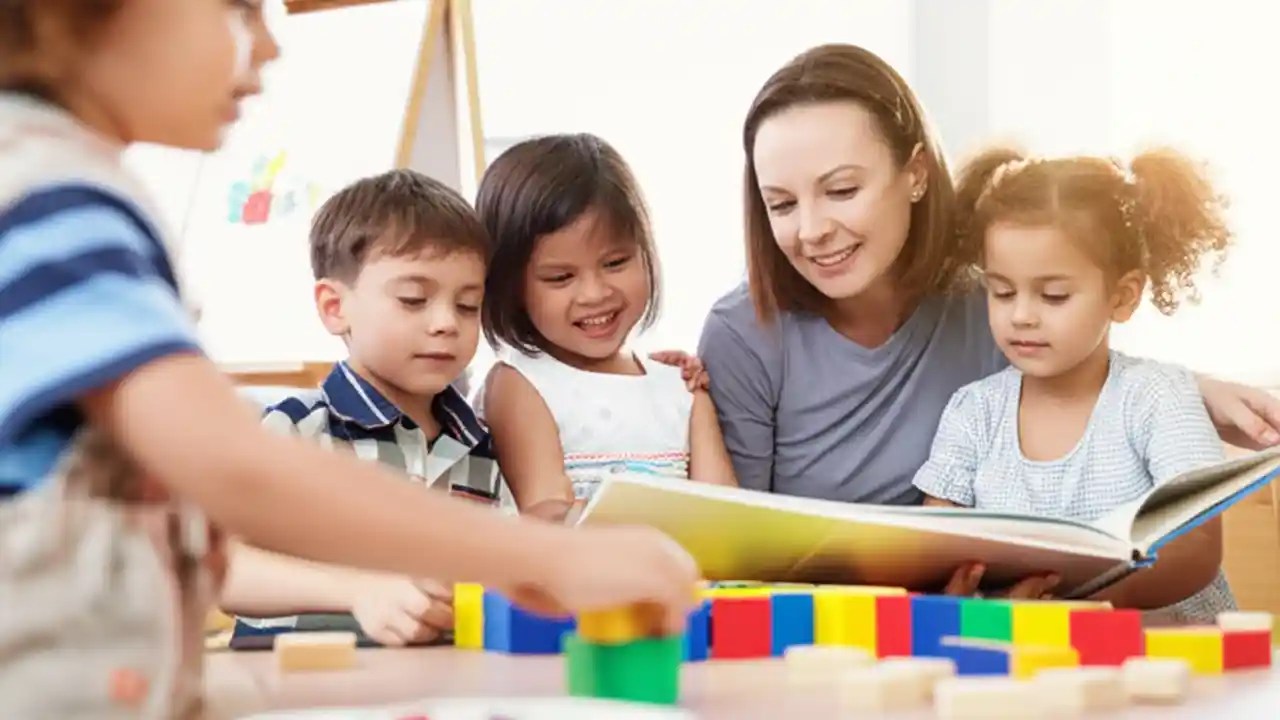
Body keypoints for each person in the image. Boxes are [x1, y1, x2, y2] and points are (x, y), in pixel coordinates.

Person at [0, 3, 695, 715]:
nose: (269, 46)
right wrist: (549, 557)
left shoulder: (56, 182)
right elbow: (229, 466)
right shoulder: (50, 194)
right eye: (239, 9)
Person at [696, 42, 1280, 596]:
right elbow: (735, 547)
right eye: (781, 204)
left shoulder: (987, 299)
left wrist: (1192, 389)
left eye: (842, 190)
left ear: (916, 173)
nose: (811, 230)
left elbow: (1085, 362)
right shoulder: (744, 333)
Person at [912, 146, 1236, 619]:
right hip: (1024, 648)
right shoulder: (973, 411)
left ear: (1122, 297)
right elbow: (934, 541)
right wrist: (960, 591)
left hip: (1169, 651)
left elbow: (1197, 546)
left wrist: (1081, 604)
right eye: (1002, 292)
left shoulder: (1158, 397)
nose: (1021, 315)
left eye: (1053, 295)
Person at [221, 169, 503, 647]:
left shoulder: (480, 443)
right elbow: (222, 569)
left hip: (439, 672)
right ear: (335, 307)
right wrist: (356, 592)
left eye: (468, 305)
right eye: (414, 300)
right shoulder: (297, 428)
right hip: (294, 674)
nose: (445, 323)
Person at [476, 133, 737, 524]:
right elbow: (546, 516)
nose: (595, 293)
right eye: (561, 277)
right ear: (510, 286)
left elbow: (726, 514)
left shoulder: (681, 388)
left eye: (615, 263)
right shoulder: (521, 383)